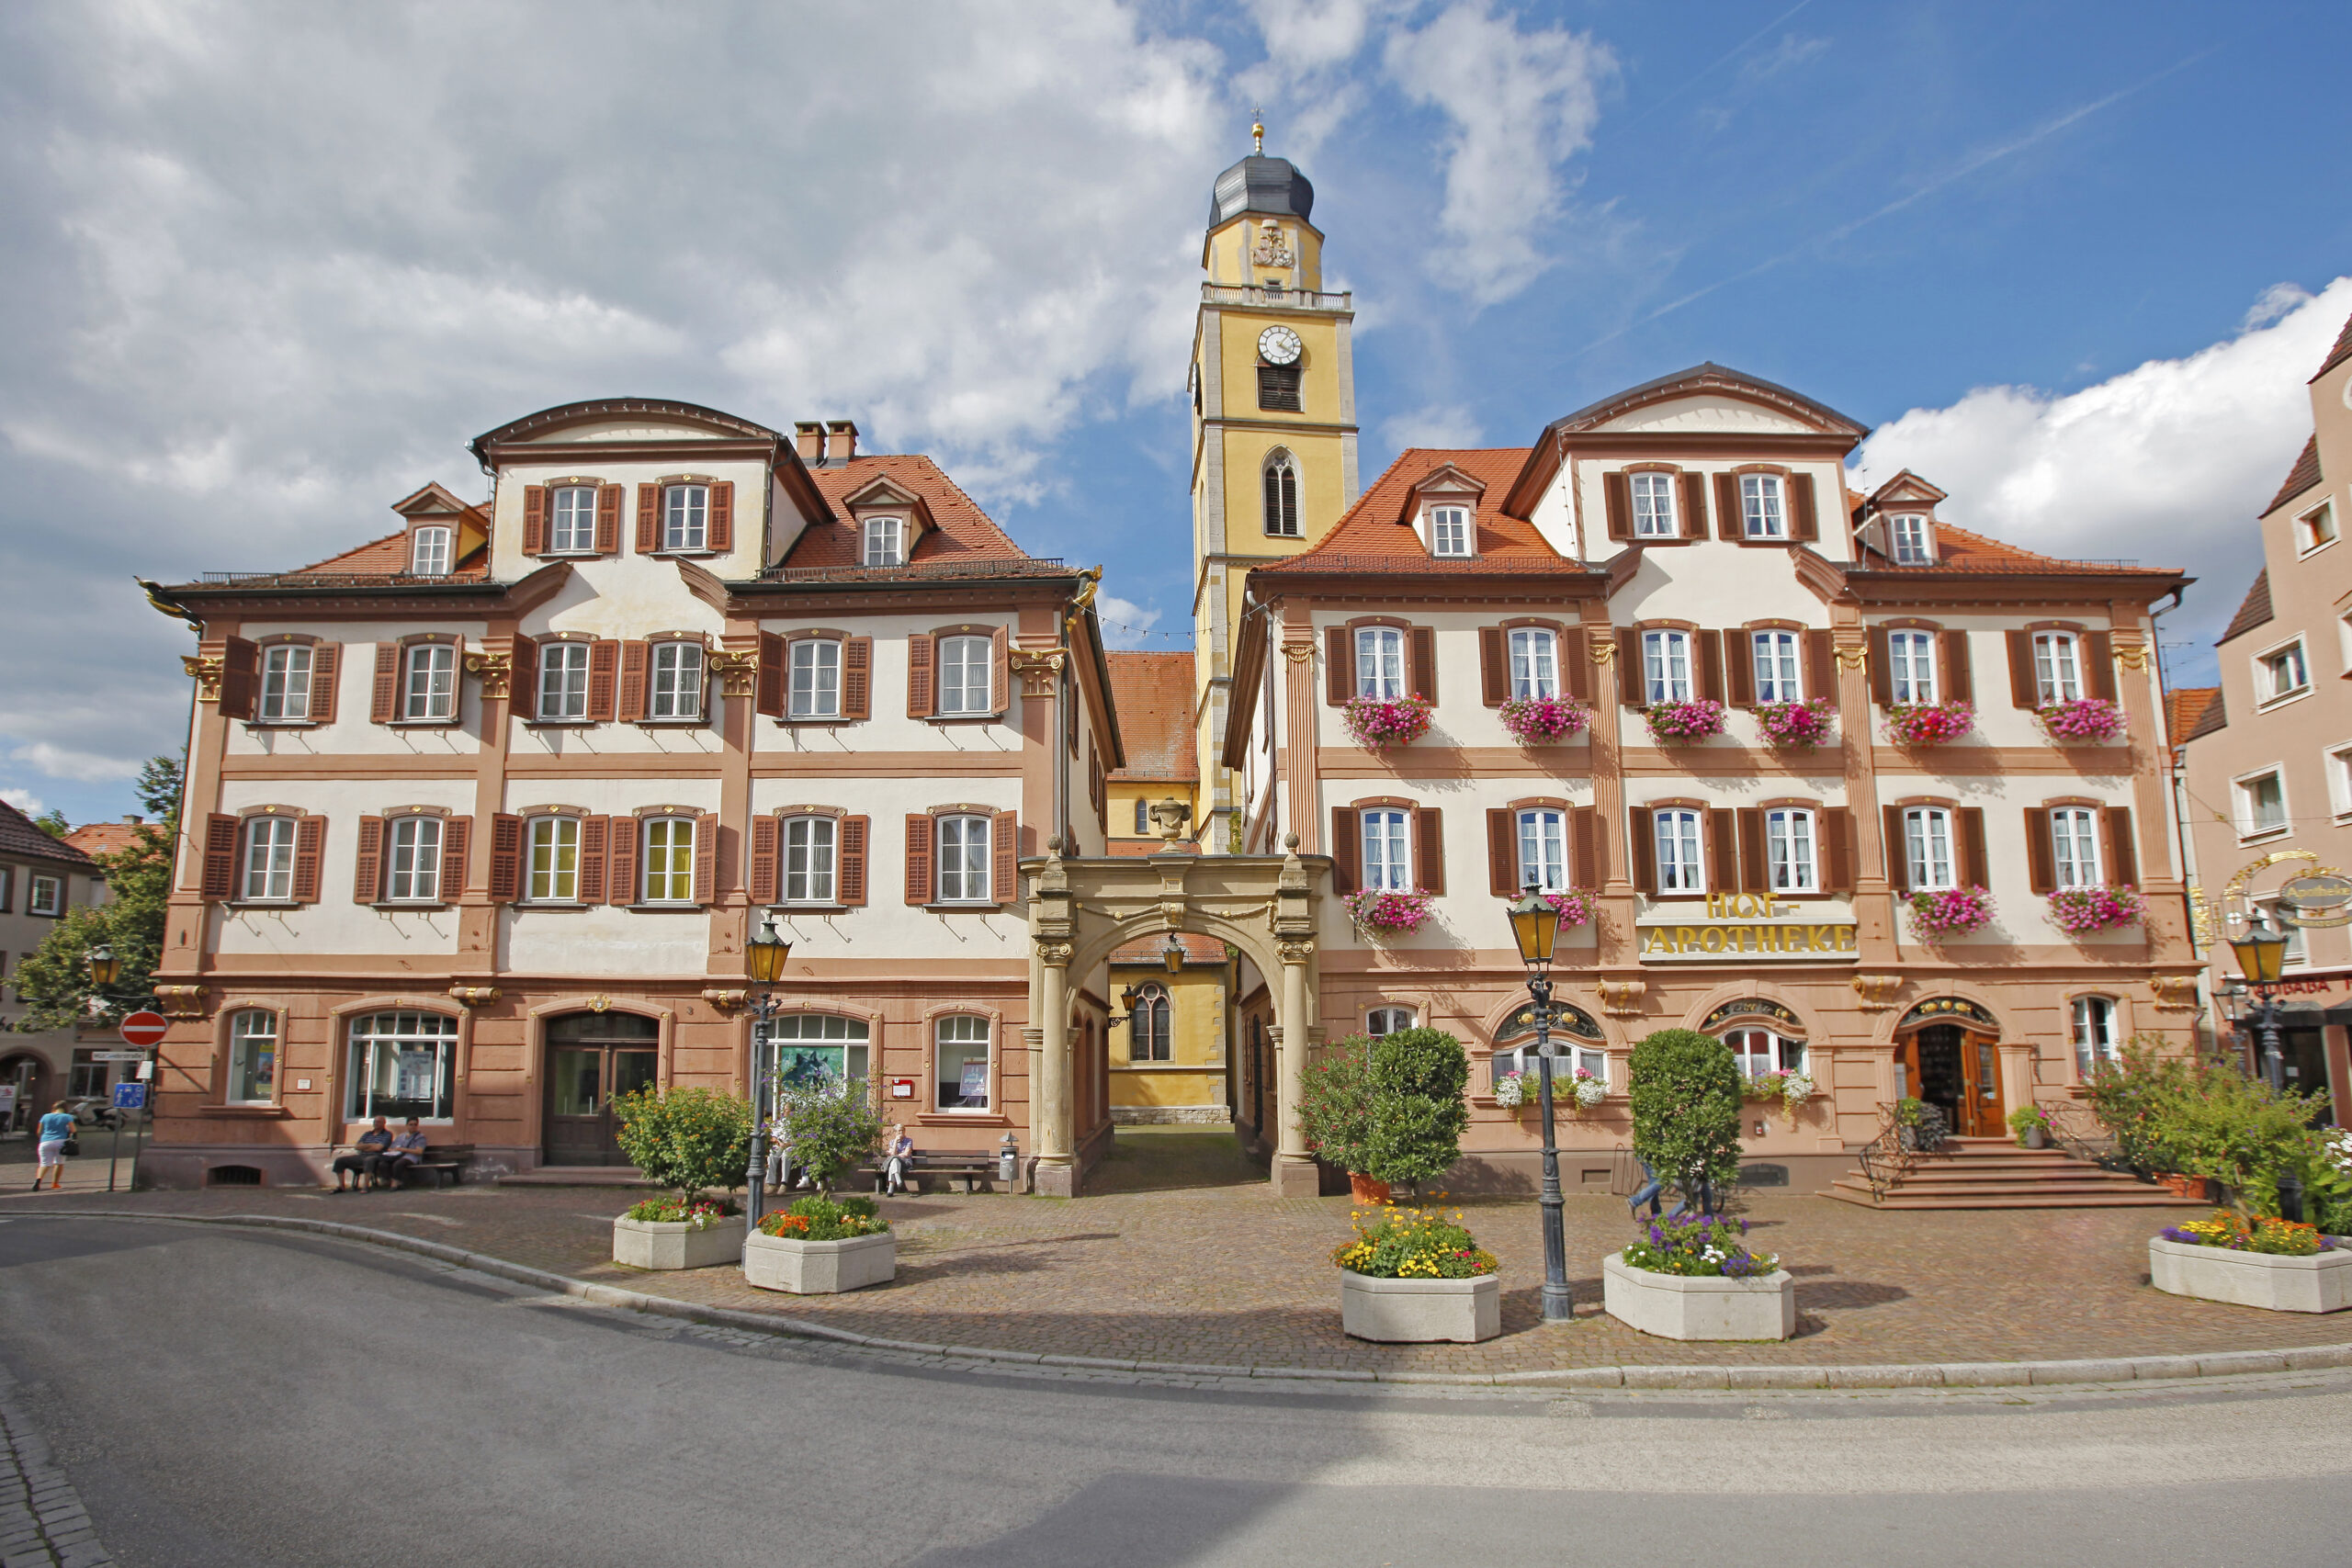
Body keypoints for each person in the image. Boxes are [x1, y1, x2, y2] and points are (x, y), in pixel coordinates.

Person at [331, 1117, 392, 1192]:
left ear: (384, 1123)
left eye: (378, 1122)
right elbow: (357, 1146)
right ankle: (341, 1186)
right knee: (340, 1160)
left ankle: (365, 1186)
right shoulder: (367, 1134)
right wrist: (371, 1145)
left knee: (369, 1160)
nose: (376, 1123)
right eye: (375, 1121)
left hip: (378, 1156)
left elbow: (378, 1148)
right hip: (362, 1155)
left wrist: (364, 1146)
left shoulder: (387, 1134)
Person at [371, 1118, 429, 1189]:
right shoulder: (401, 1136)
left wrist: (403, 1149)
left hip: (411, 1157)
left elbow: (419, 1152)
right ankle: (392, 1180)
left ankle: (395, 1183)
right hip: (397, 1156)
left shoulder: (420, 1137)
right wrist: (392, 1151)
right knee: (383, 1164)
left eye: (415, 1125)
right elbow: (392, 1147)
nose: (413, 1126)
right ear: (406, 1126)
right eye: (411, 1124)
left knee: (398, 1164)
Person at [32, 1101, 74, 1191]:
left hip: (45, 1142)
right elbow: (73, 1130)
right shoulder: (67, 1117)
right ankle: (55, 1183)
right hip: (61, 1142)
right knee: (59, 1163)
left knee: (44, 1164)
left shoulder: (45, 1116)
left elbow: (39, 1131)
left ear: (54, 1108)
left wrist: (43, 1138)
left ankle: (38, 1181)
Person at [881, 1124, 914, 1196]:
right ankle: (898, 1179)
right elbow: (893, 1153)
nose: (901, 1132)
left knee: (894, 1159)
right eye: (899, 1131)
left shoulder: (909, 1140)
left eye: (903, 1130)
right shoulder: (892, 1142)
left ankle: (891, 1187)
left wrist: (895, 1155)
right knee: (894, 1160)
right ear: (895, 1132)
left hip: (906, 1163)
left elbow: (906, 1154)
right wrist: (896, 1141)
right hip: (896, 1163)